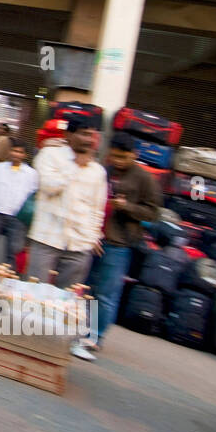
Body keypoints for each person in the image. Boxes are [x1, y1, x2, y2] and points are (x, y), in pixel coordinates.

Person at [78, 132, 160, 361]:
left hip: (119, 244)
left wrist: (127, 207)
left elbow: (153, 213)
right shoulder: (103, 170)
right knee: (86, 289)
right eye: (114, 156)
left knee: (105, 295)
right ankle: (78, 331)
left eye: (123, 157)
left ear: (135, 154)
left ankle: (95, 336)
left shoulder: (144, 178)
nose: (118, 161)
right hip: (93, 238)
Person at [27, 116, 107, 288]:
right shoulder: (49, 155)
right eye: (84, 134)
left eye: (92, 135)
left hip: (79, 245)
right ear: (68, 135)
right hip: (46, 239)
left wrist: (93, 236)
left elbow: (97, 208)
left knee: (66, 301)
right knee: (32, 295)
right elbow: (49, 186)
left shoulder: (97, 171)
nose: (89, 140)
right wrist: (75, 166)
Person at [0, 142, 39, 267]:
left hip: (18, 216)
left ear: (25, 155)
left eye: (20, 152)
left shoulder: (31, 173)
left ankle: (9, 275)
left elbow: (33, 196)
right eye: (14, 151)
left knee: (13, 249)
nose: (16, 154)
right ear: (10, 152)